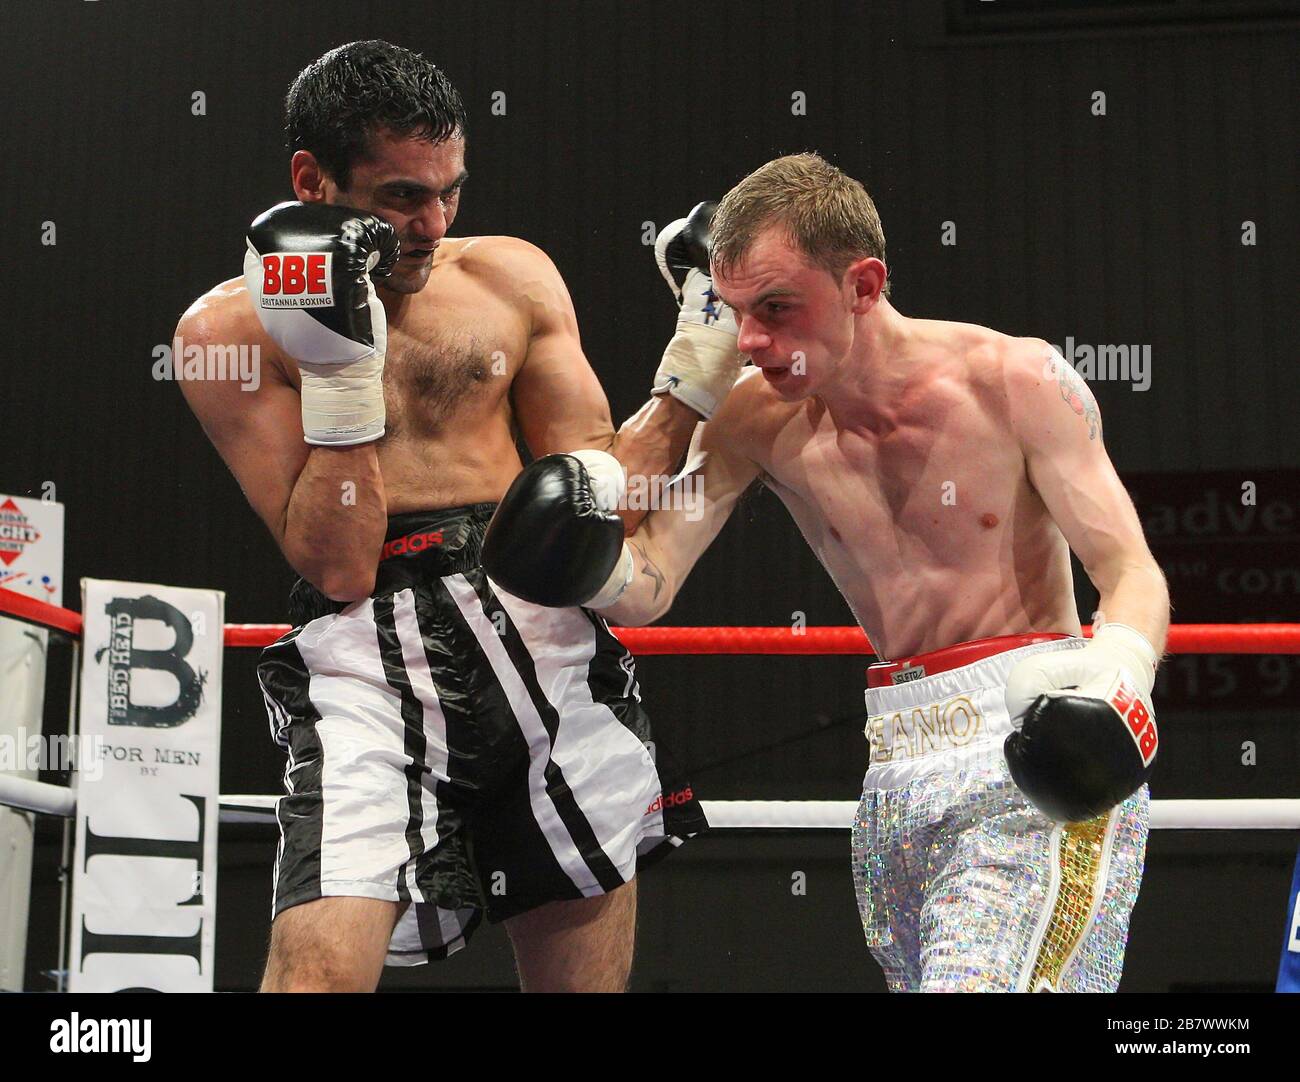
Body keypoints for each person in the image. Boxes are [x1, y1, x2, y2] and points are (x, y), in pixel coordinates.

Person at [175, 40, 743, 992]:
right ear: (312, 182)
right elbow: (341, 565)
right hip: (367, 655)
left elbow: (606, 493)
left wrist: (702, 348)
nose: (432, 224)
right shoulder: (224, 335)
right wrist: (342, 368)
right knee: (313, 975)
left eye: (450, 192)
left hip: (541, 612)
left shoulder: (511, 280)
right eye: (401, 196)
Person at [594, 152, 1170, 992]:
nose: (752, 341)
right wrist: (577, 542)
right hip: (893, 769)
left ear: (864, 285)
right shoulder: (755, 417)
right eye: (738, 312)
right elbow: (647, 584)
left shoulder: (1014, 379)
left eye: (779, 309)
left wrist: (1118, 681)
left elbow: (1131, 572)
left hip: (1026, 750)